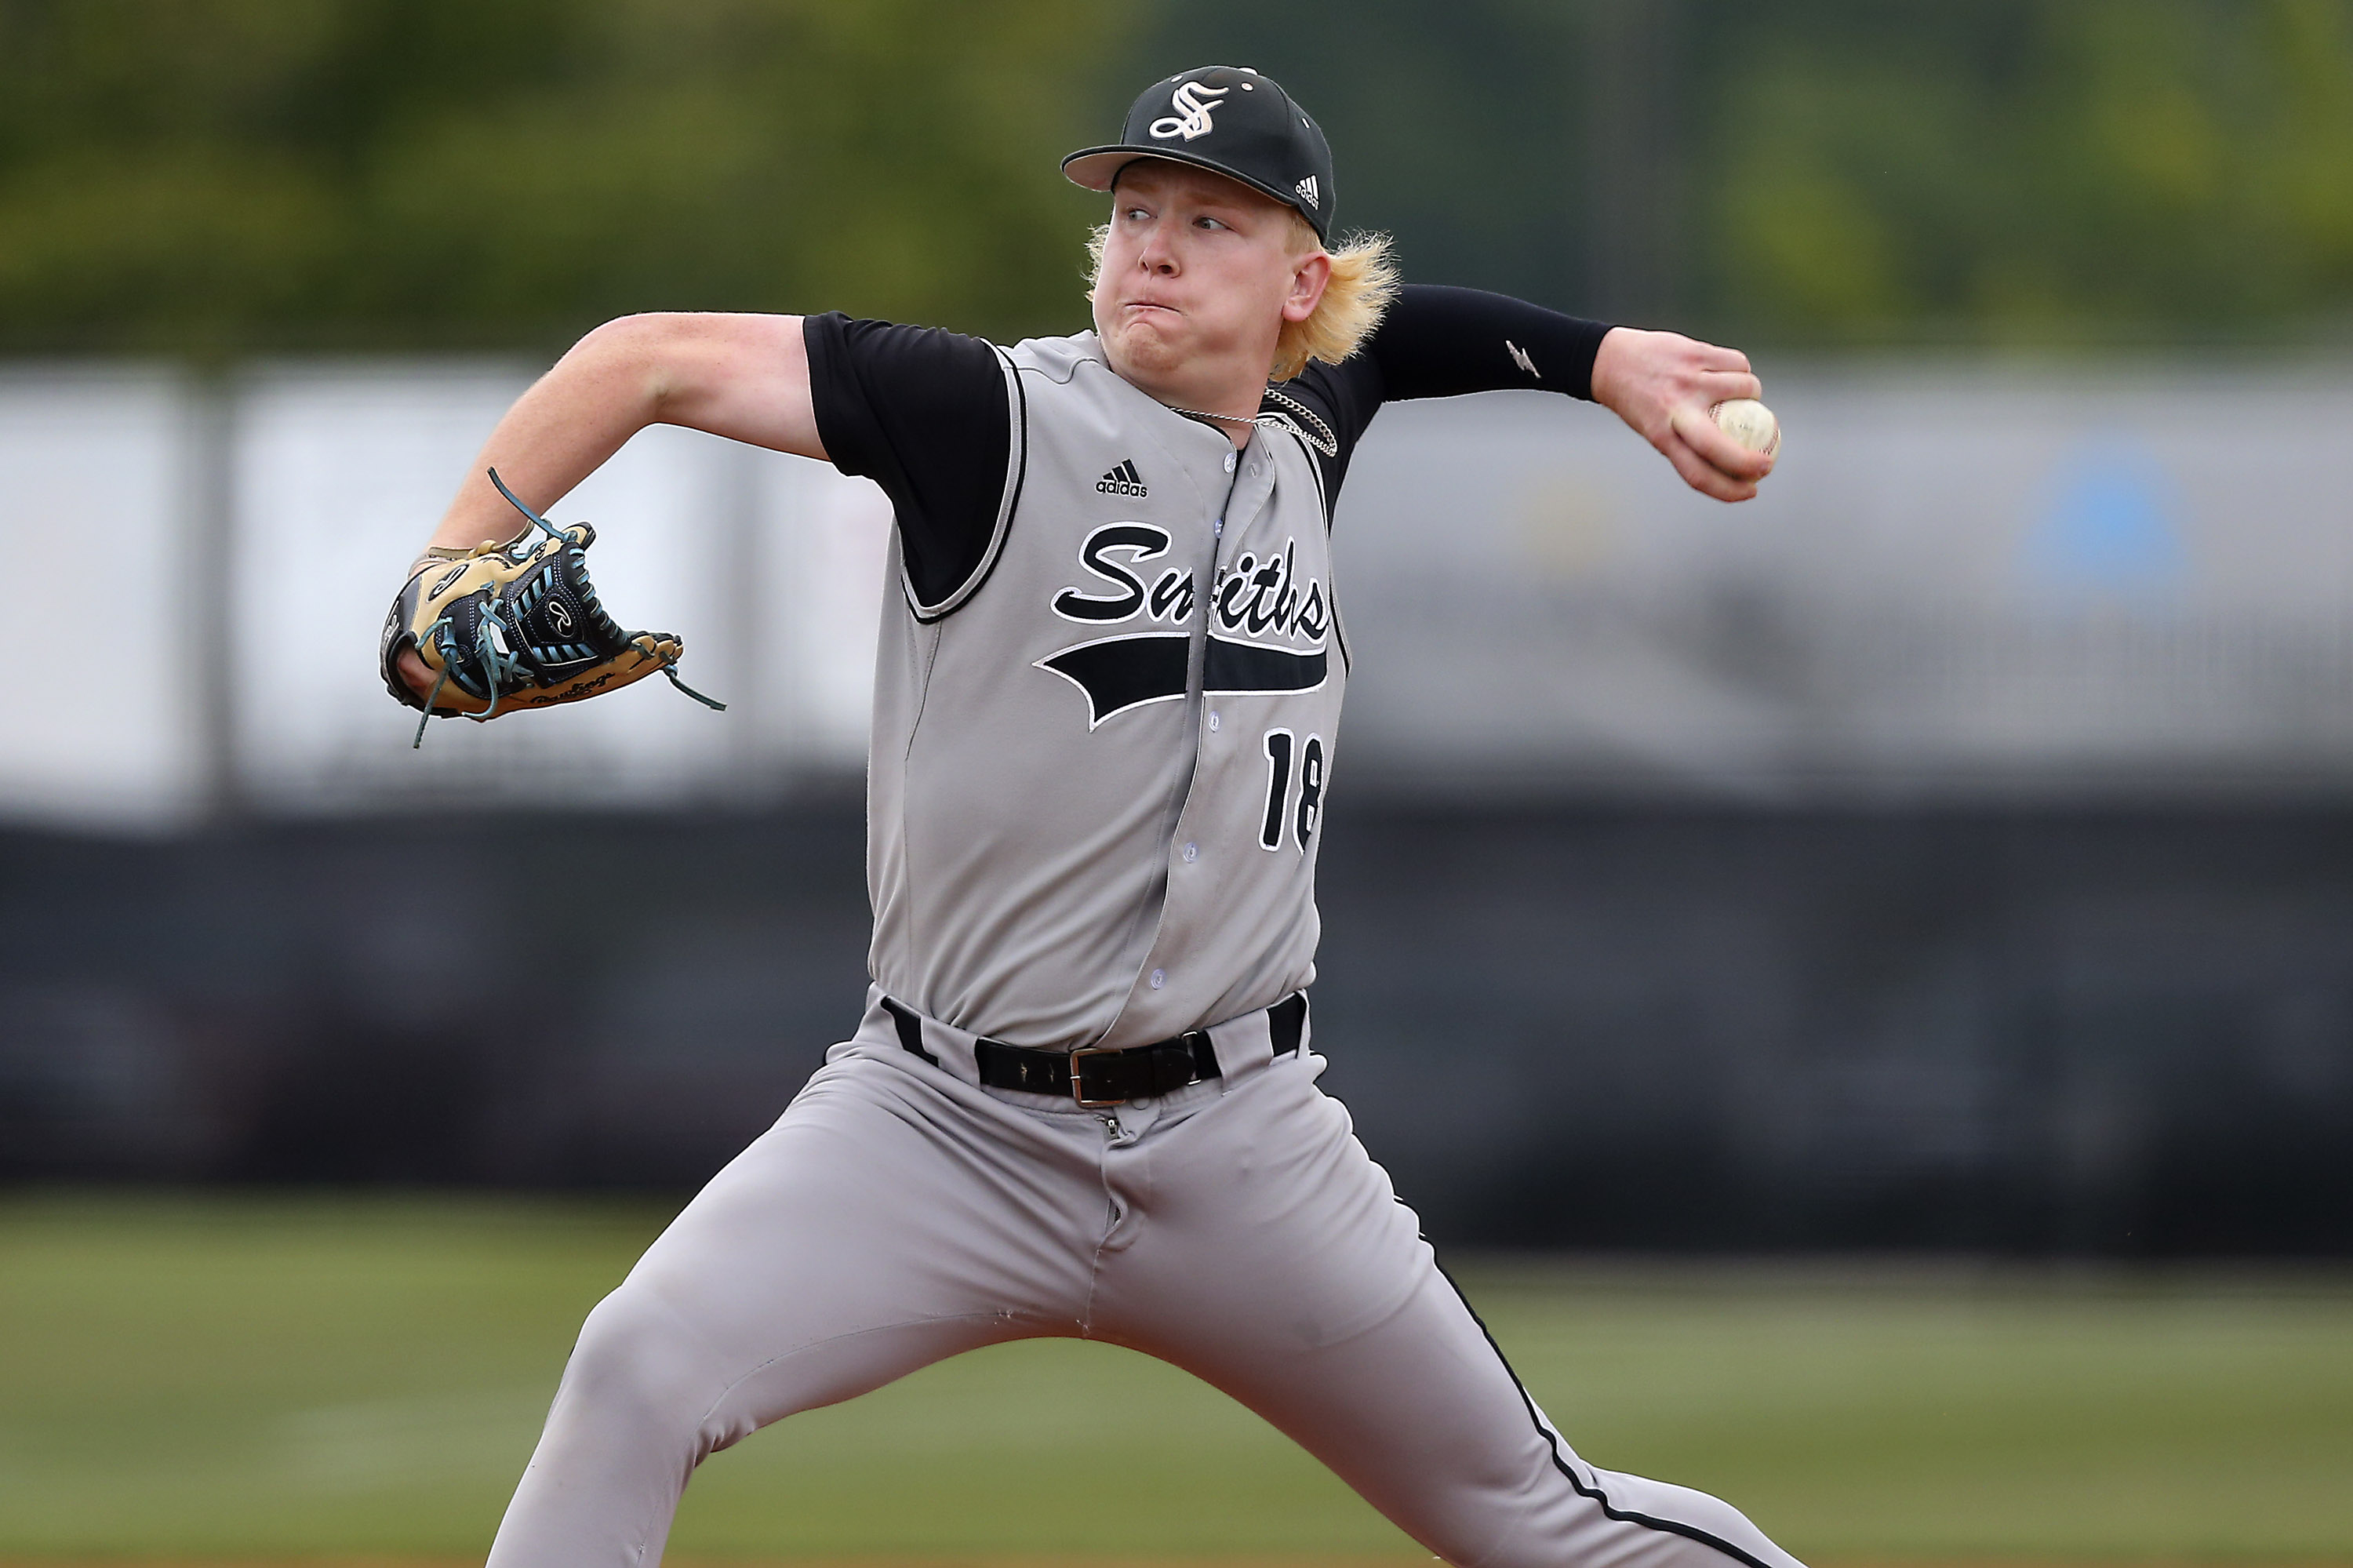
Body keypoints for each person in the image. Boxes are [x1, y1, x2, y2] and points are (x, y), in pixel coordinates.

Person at [392, 64, 1790, 1568]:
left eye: (1211, 220)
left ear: (1305, 286)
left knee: (1536, 1519)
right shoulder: (982, 415)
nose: (1155, 247)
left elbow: (1421, 333)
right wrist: (447, 567)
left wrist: (1604, 364)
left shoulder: (1314, 423)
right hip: (937, 1124)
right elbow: (646, 356)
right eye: (1133, 212)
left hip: (1242, 1142)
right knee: (637, 1368)